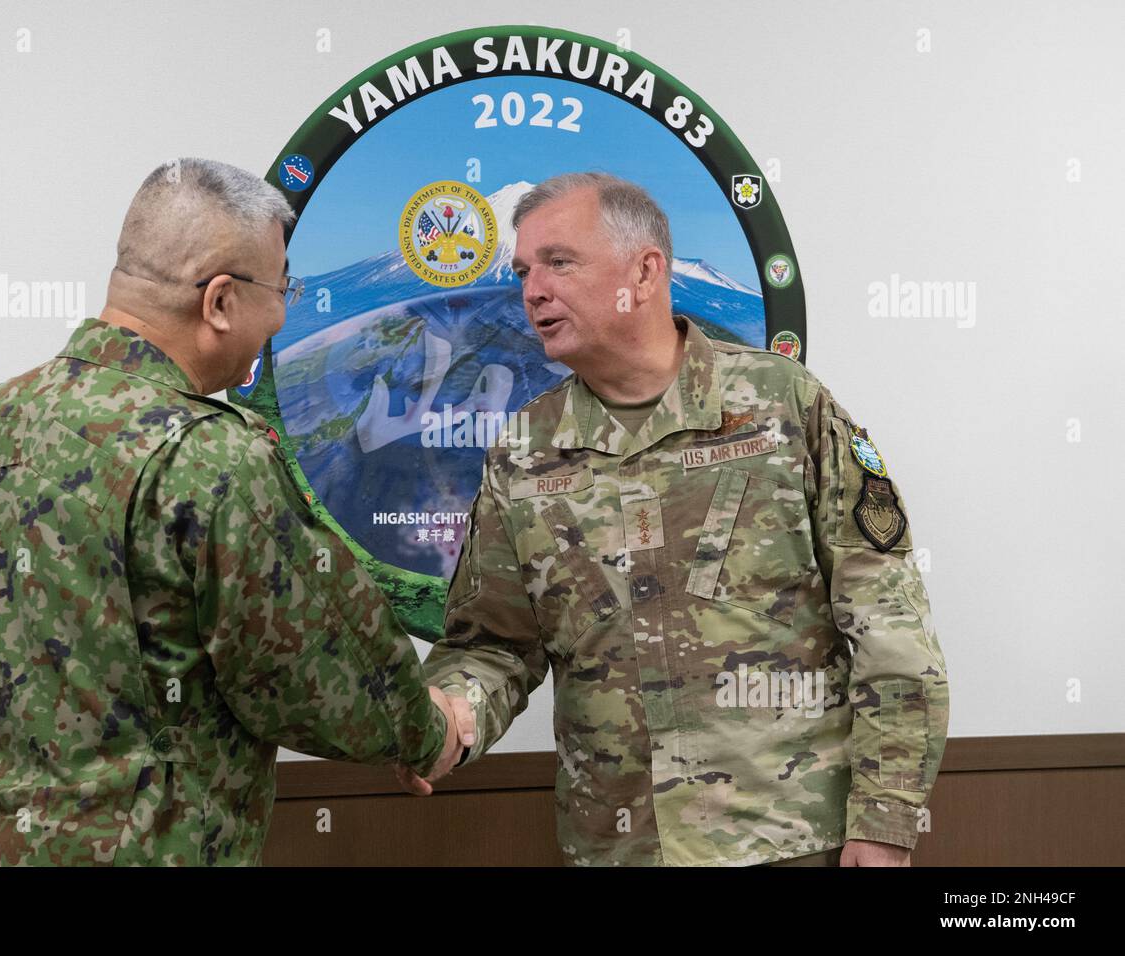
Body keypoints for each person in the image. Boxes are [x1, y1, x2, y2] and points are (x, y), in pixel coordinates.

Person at [400, 172, 949, 867]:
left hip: (789, 843)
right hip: (618, 847)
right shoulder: (524, 451)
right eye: (523, 270)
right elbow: (495, 644)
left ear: (646, 269)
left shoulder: (784, 406)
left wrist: (885, 823)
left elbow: (890, 627)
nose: (532, 289)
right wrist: (449, 715)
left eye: (559, 262)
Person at [0, 158, 469, 866]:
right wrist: (426, 734)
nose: (282, 315)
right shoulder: (212, 455)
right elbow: (316, 672)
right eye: (282, 291)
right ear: (219, 301)